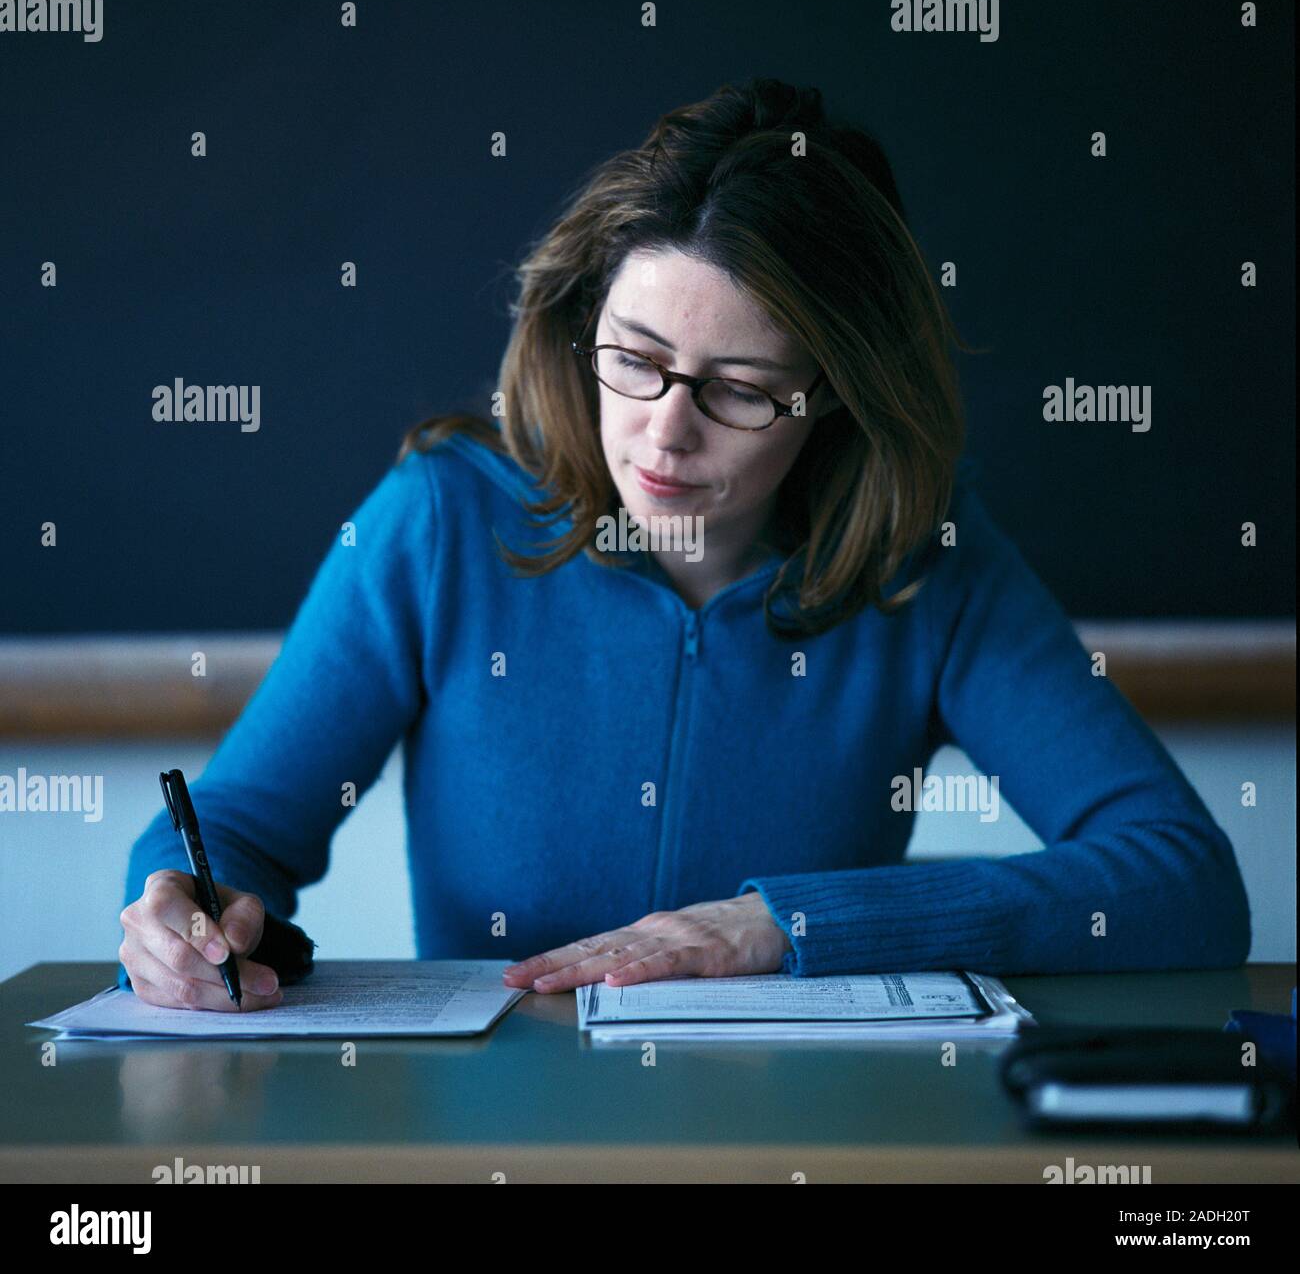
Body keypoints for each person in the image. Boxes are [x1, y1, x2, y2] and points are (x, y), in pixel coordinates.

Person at [117, 77, 1251, 1011]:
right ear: (579, 328)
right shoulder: (439, 520)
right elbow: (243, 828)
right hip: (491, 1152)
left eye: (742, 390)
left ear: (835, 401)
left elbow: (1183, 879)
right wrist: (174, 897)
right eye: (634, 358)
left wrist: (783, 922)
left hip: (808, 1144)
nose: (663, 431)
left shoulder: (926, 558)